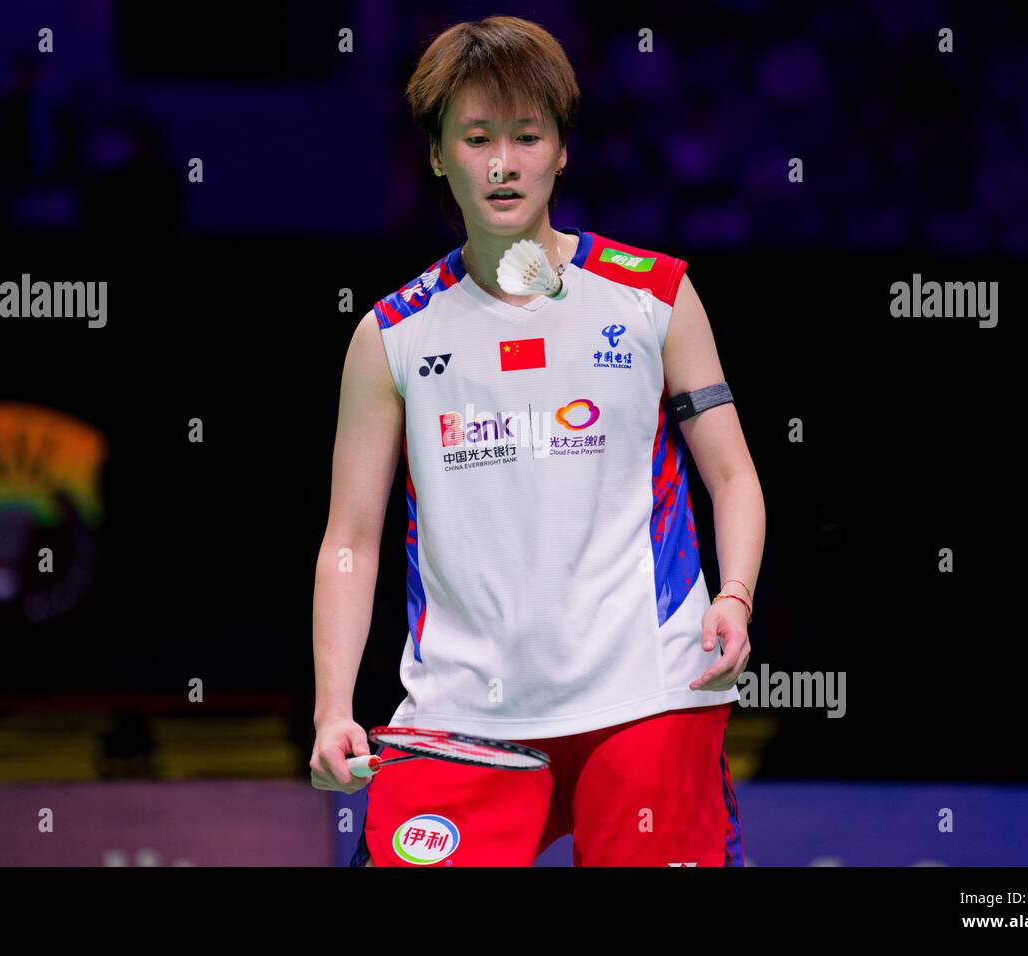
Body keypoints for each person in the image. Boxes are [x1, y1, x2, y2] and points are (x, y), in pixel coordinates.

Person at [311, 15, 765, 867]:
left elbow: (733, 475)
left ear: (562, 150)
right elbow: (352, 538)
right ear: (441, 156)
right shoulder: (393, 335)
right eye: (477, 138)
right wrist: (334, 706)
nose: (504, 162)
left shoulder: (653, 297)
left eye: (528, 135)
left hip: (648, 694)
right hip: (458, 716)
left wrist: (734, 596)